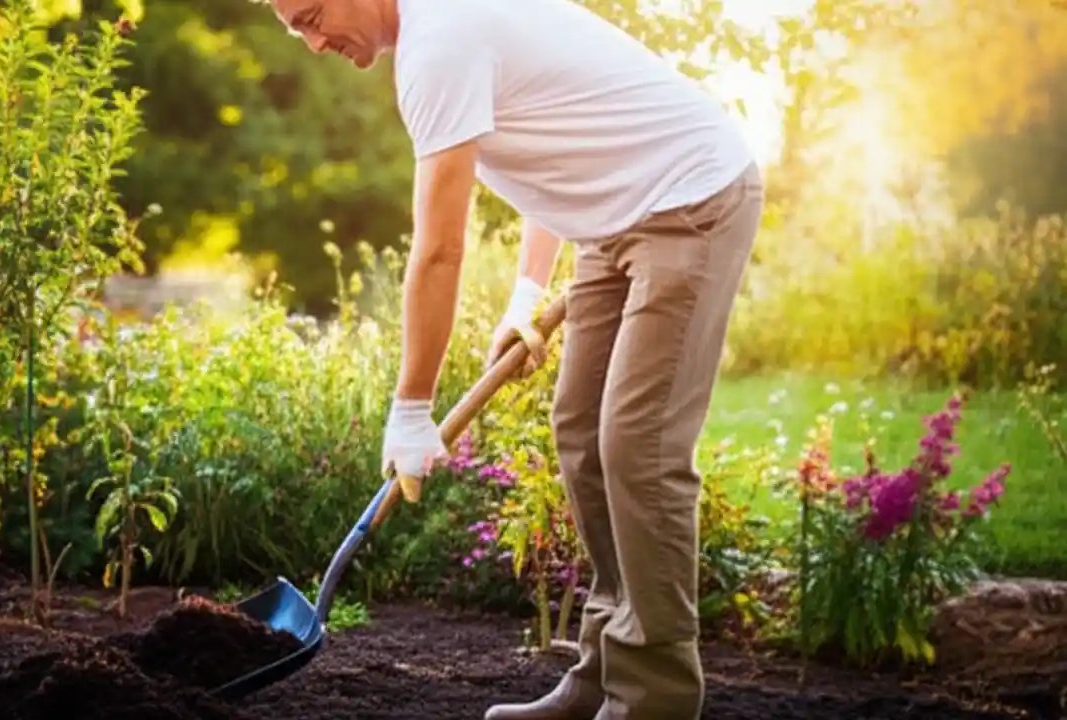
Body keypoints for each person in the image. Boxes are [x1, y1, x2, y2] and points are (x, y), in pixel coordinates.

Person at [265, 0, 763, 717]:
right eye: (295, 30)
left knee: (638, 447)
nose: (313, 44)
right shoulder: (440, 35)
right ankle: (601, 671)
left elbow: (439, 251)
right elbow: (555, 146)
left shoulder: (440, 40)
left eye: (311, 16)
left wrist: (411, 411)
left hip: (690, 199)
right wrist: (525, 296)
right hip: (611, 220)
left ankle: (652, 697)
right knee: (580, 434)